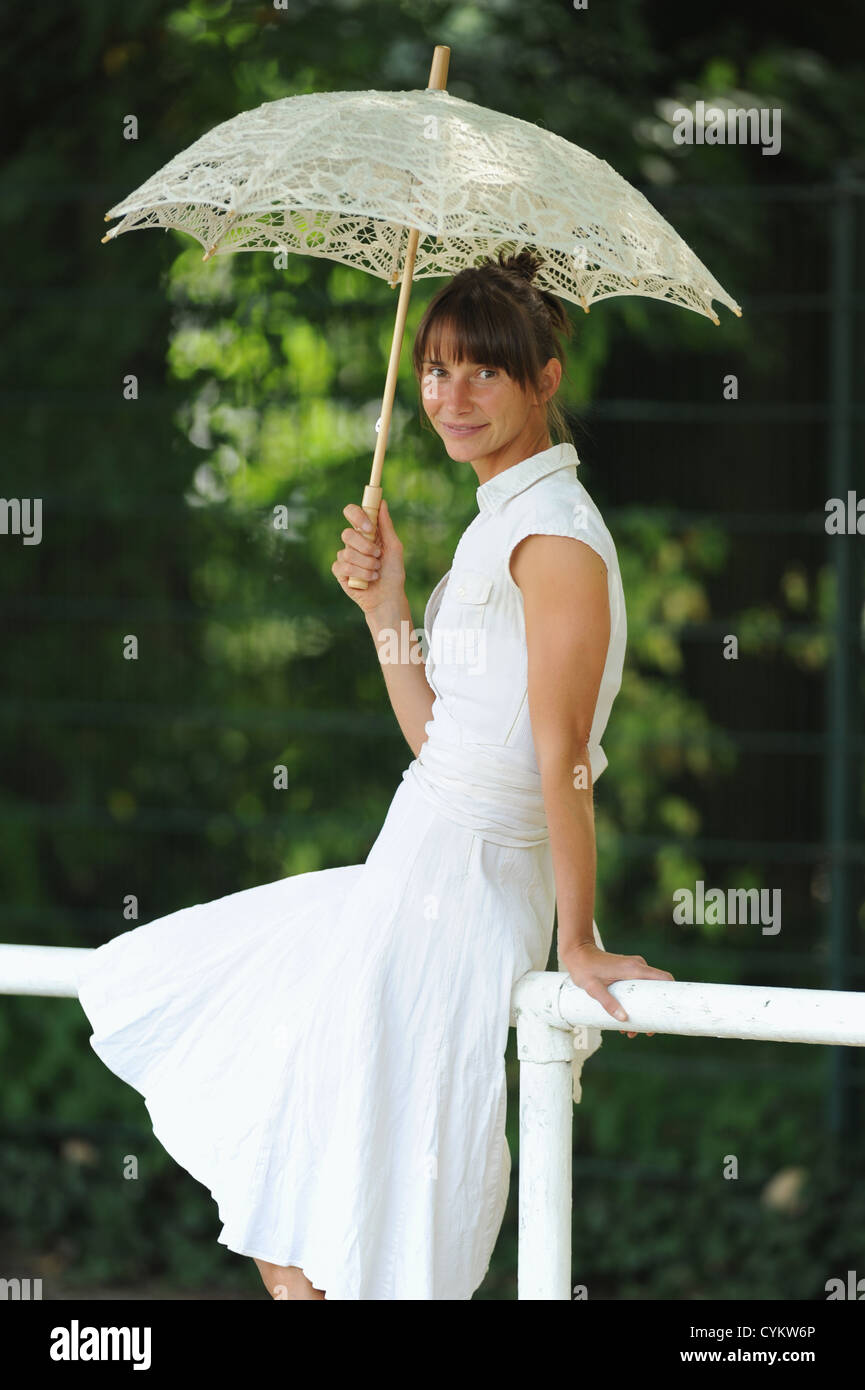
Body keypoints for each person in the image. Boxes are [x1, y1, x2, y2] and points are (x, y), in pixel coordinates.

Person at [76, 249, 673, 1302]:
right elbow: (442, 737)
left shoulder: (555, 540)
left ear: (545, 379)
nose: (452, 396)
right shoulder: (500, 528)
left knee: (371, 1217)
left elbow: (559, 756)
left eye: (485, 370)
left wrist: (576, 937)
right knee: (296, 1169)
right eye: (436, 369)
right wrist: (388, 609)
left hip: (466, 893)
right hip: (412, 866)